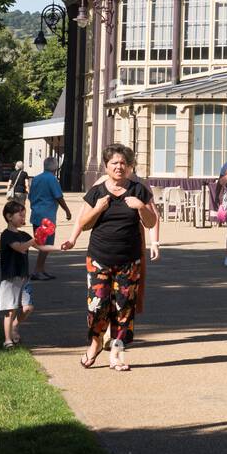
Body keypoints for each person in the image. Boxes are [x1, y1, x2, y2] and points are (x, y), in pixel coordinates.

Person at [61, 143, 157, 372]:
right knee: (97, 306)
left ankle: (116, 354)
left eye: (124, 163)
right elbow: (83, 223)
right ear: (106, 166)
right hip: (99, 258)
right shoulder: (97, 192)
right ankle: (94, 344)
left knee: (124, 309)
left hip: (129, 260)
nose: (119, 167)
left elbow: (151, 222)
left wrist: (140, 207)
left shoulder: (138, 191)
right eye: (114, 163)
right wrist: (97, 210)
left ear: (130, 166)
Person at [0, 197, 57, 349]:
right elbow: (20, 248)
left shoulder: (24, 234)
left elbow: (41, 247)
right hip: (10, 278)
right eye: (21, 215)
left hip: (24, 277)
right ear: (9, 217)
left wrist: (61, 247)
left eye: (24, 215)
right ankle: (7, 340)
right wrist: (35, 238)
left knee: (28, 308)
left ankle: (14, 326)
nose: (23, 218)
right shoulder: (6, 235)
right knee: (10, 310)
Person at [27, 157, 71, 280]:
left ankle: (41, 269)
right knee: (46, 245)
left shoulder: (36, 179)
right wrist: (67, 210)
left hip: (36, 215)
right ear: (56, 168)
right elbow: (58, 196)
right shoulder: (52, 179)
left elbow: (30, 196)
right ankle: (37, 271)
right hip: (47, 217)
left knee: (41, 244)